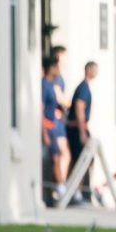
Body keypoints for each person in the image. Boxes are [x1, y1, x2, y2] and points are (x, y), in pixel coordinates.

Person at [67, 61, 98, 204]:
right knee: (82, 161)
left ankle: (75, 191)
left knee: (81, 161)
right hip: (77, 128)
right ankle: (76, 193)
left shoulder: (84, 87)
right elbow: (80, 109)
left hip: (79, 127)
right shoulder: (83, 88)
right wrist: (82, 132)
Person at [42, 55, 70, 203]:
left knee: (58, 157)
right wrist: (44, 132)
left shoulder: (52, 85)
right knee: (54, 159)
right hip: (47, 127)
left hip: (53, 126)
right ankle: (59, 189)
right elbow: (41, 108)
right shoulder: (44, 84)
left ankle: (60, 187)